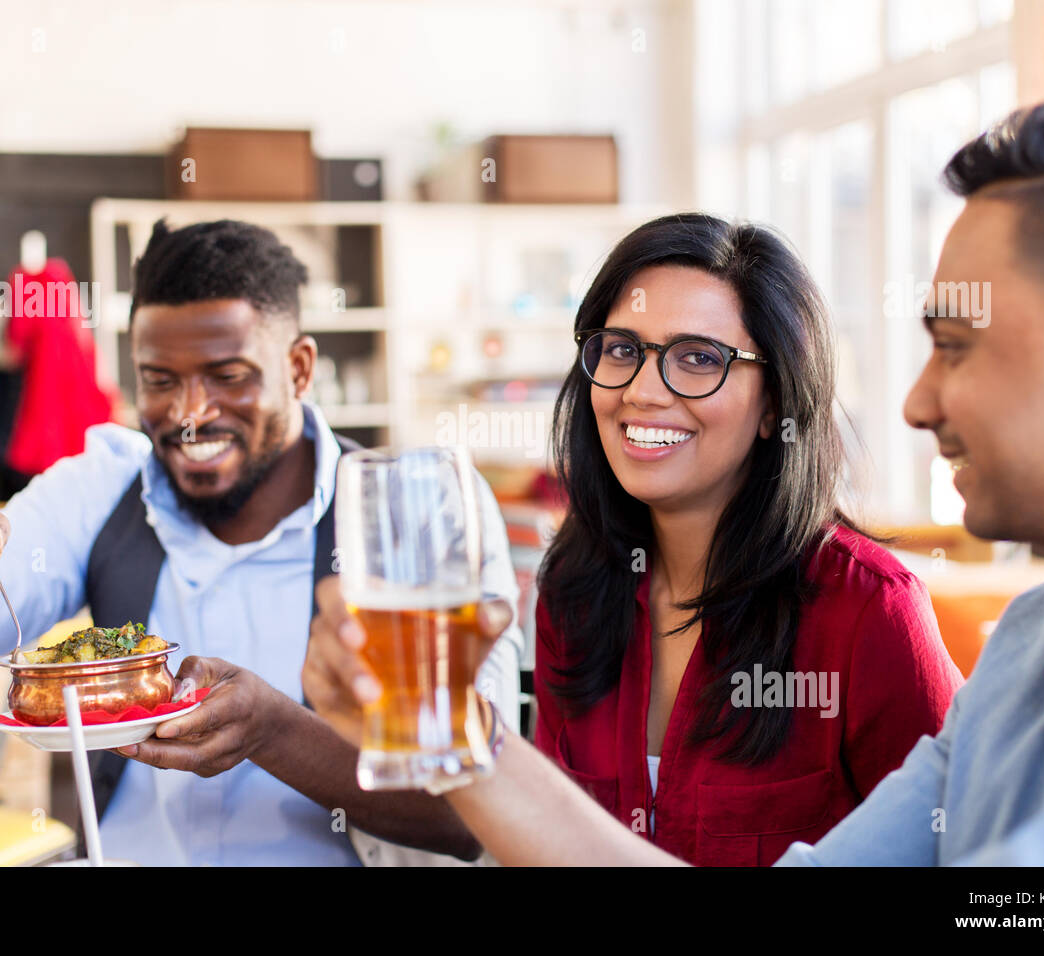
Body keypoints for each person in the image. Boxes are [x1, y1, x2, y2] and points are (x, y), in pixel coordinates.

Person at [304, 87, 1044, 866]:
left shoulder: (872, 609)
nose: (917, 403)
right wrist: (453, 735)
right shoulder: (1029, 657)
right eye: (623, 350)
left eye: (955, 346)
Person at [0, 218, 523, 866]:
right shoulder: (102, 487)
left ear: (300, 368)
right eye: (160, 381)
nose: (190, 415)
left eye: (228, 377)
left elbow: (471, 815)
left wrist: (273, 732)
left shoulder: (414, 514)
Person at [311, 210, 963, 868]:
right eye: (622, 349)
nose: (644, 392)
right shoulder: (574, 587)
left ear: (774, 405)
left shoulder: (870, 611)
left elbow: (965, 854)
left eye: (699, 359)